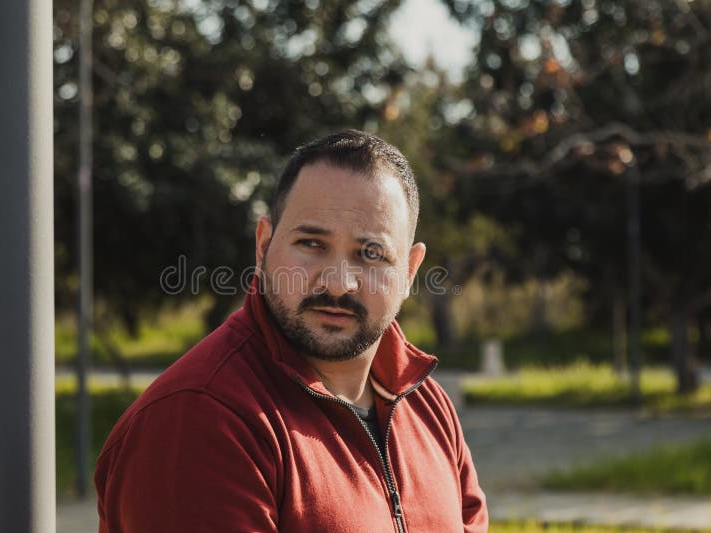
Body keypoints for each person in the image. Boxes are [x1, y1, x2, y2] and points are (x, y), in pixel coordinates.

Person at [94, 130, 488, 532]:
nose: (338, 283)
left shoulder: (428, 406)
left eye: (371, 253)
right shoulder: (200, 419)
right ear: (263, 245)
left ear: (409, 272)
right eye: (312, 243)